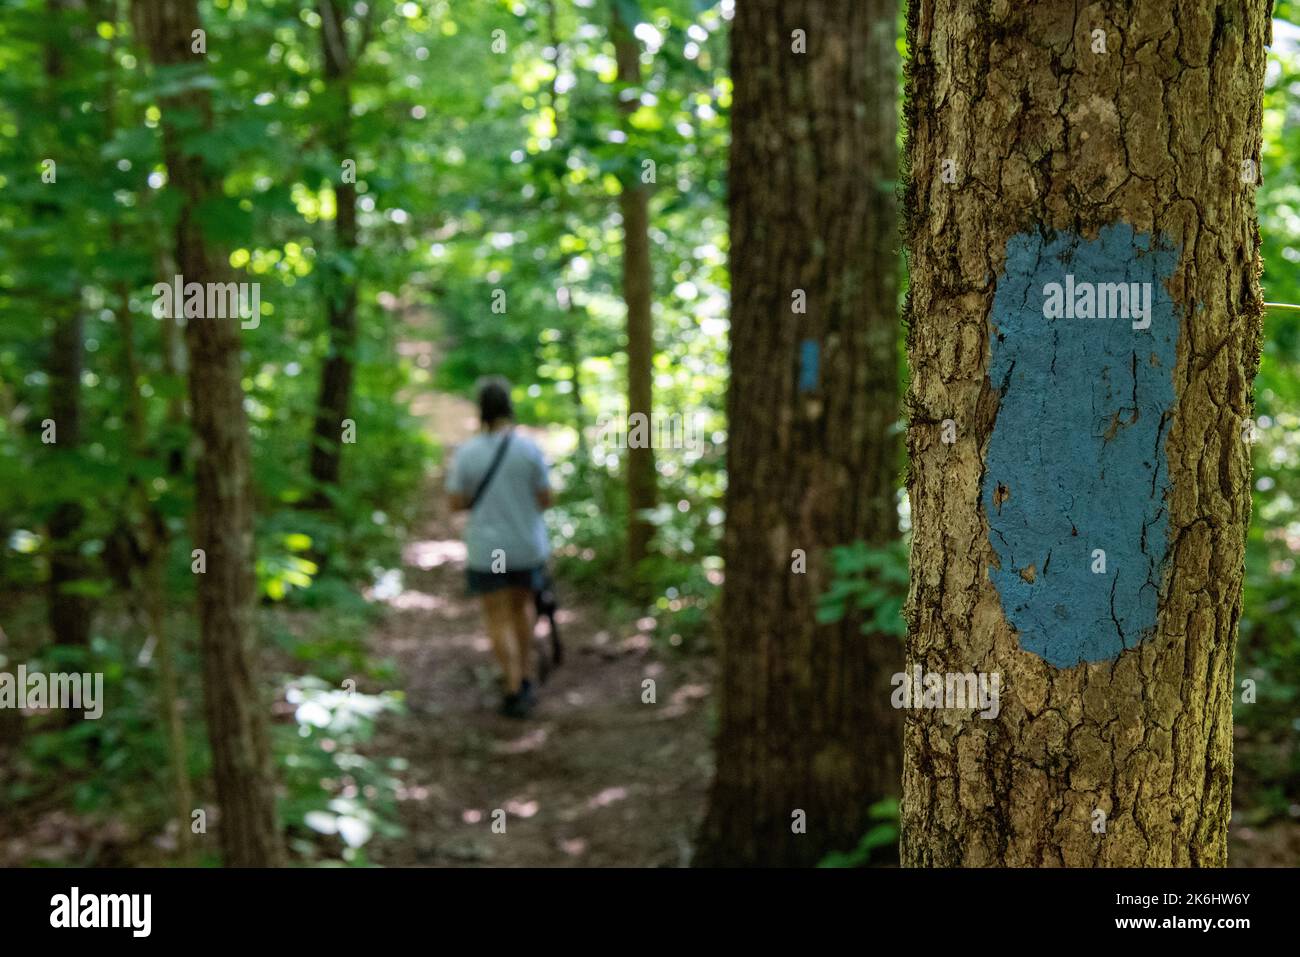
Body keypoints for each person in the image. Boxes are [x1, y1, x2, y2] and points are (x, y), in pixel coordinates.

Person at [446, 377, 552, 719]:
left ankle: (510, 683)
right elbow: (546, 498)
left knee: (496, 614)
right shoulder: (529, 449)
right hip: (524, 545)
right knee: (522, 611)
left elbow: (455, 502)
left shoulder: (467, 453)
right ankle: (525, 676)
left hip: (487, 547)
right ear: (509, 407)